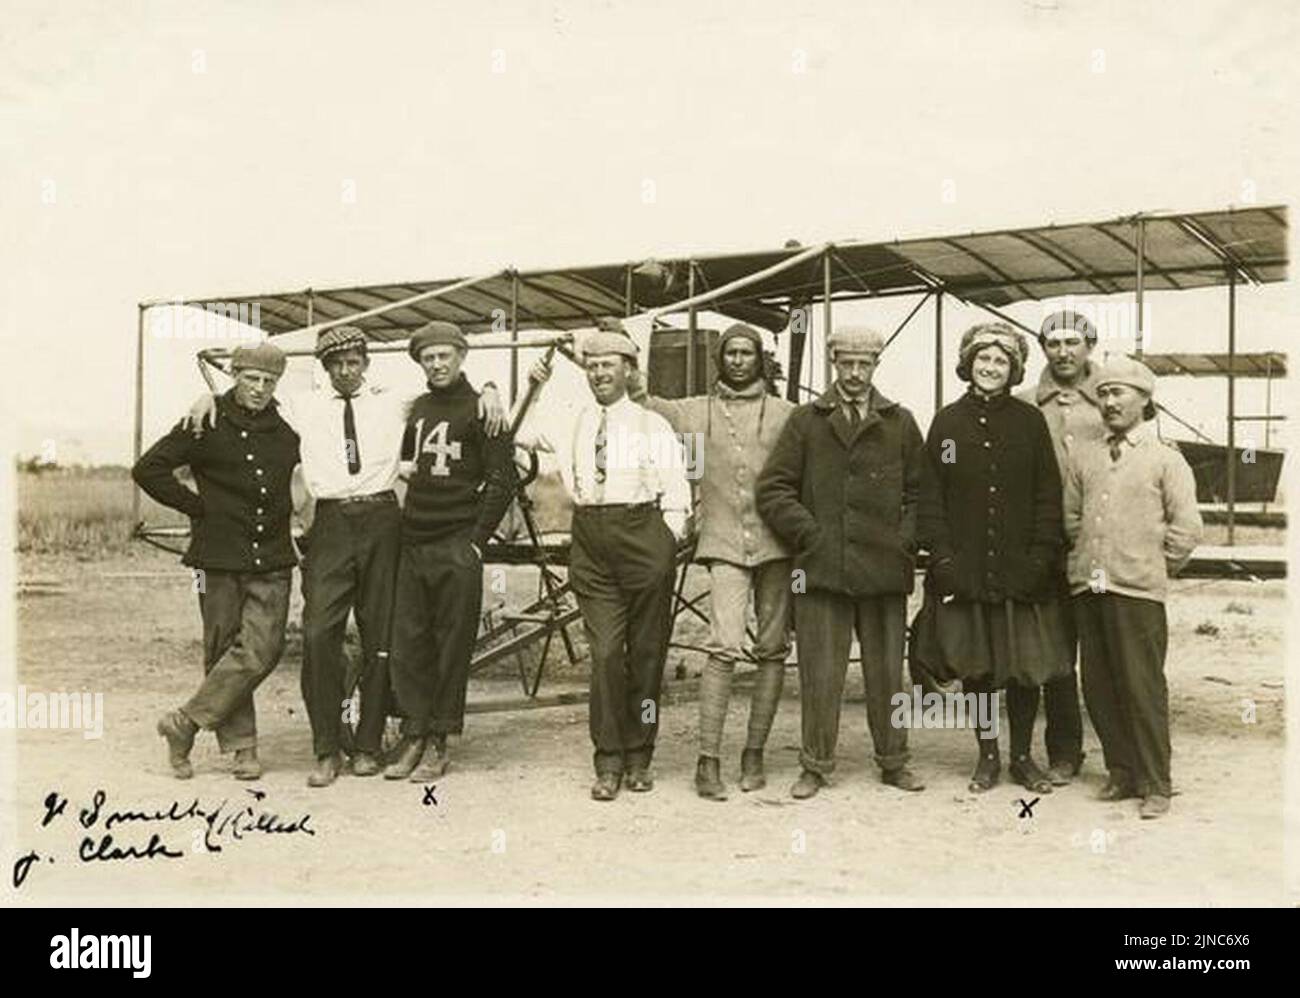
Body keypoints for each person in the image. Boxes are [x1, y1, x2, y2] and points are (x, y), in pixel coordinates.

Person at [187, 325, 505, 787]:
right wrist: (206, 400)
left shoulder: (397, 399)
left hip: (382, 521)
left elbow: (455, 390)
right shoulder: (303, 404)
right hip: (331, 525)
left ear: (366, 363)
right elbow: (247, 402)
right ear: (325, 368)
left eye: (354, 362)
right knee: (319, 634)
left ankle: (369, 745)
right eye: (336, 364)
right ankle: (327, 747)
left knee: (381, 637)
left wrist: (491, 391)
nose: (346, 371)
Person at [518, 327, 692, 801]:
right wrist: (529, 385)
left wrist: (664, 543)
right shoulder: (570, 419)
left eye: (608, 366)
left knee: (648, 654)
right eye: (592, 367)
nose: (599, 374)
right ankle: (608, 759)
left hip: (643, 537)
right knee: (607, 654)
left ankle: (640, 756)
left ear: (628, 370)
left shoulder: (649, 424)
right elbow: (519, 432)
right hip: (591, 540)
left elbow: (677, 491)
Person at [756, 325, 926, 799]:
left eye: (863, 364)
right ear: (834, 363)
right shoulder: (807, 421)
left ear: (876, 365)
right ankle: (814, 764)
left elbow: (921, 492)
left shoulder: (901, 421)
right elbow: (773, 488)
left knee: (888, 673)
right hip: (822, 569)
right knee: (820, 673)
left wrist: (903, 541)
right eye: (845, 363)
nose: (854, 373)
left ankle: (894, 761)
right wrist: (810, 534)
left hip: (884, 570)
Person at [628, 323, 795, 799]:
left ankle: (755, 752)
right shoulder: (694, 411)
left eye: (747, 353)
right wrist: (621, 348)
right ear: (720, 359)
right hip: (722, 543)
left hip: (778, 546)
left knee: (772, 647)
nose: (739, 360)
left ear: (759, 359)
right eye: (731, 353)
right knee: (723, 645)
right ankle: (709, 759)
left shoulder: (787, 414)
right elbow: (643, 400)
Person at [914, 322, 1072, 794]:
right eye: (983, 358)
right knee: (979, 667)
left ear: (1013, 369)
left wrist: (1040, 556)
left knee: (1024, 669)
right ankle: (987, 756)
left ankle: (1023, 758)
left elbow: (1049, 493)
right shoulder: (948, 424)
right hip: (967, 570)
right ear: (969, 363)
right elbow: (931, 494)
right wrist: (942, 557)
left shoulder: (1029, 423)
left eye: (1001, 361)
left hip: (1021, 570)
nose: (990, 367)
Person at [134, 342, 299, 780]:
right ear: (235, 376)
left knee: (263, 648)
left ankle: (184, 722)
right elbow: (148, 469)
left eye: (269, 381)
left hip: (274, 557)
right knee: (223, 646)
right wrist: (197, 507)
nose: (260, 389)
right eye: (251, 380)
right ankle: (243, 747)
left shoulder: (287, 430)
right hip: (215, 561)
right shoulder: (203, 422)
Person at [1064, 355, 1202, 819]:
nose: (1108, 402)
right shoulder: (1086, 457)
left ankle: (1156, 783)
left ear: (1144, 400)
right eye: (1102, 393)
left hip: (1138, 594)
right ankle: (1121, 772)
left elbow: (1186, 529)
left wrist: (1154, 568)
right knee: (1098, 686)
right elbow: (1071, 519)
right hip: (1090, 588)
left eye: (1118, 392)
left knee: (1142, 687)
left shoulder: (1167, 460)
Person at [383, 322, 518, 781]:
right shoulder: (417, 408)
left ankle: (440, 740)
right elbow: (405, 467)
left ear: (461, 356)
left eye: (445, 356)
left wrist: (476, 541)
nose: (437, 364)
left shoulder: (483, 407)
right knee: (408, 645)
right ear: (420, 363)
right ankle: (414, 734)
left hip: (457, 543)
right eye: (428, 358)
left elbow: (504, 480)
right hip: (414, 541)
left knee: (450, 645)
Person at [1016, 309, 1107, 785]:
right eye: (1054, 344)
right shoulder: (1027, 404)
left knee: (1103, 648)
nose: (1064, 352)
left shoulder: (1110, 400)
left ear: (1089, 345)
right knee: (1053, 652)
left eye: (1073, 342)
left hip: (1098, 544)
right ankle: (1064, 751)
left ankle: (1125, 755)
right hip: (1046, 545)